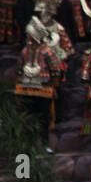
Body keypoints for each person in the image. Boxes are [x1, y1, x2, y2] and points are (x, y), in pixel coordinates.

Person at [15, 16, 64, 147]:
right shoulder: (25, 51)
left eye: (29, 35)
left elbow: (55, 70)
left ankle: (44, 143)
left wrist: (55, 86)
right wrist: (18, 84)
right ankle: (30, 142)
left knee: (44, 117)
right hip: (27, 88)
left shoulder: (47, 51)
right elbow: (19, 69)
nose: (28, 38)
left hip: (44, 88)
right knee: (29, 116)